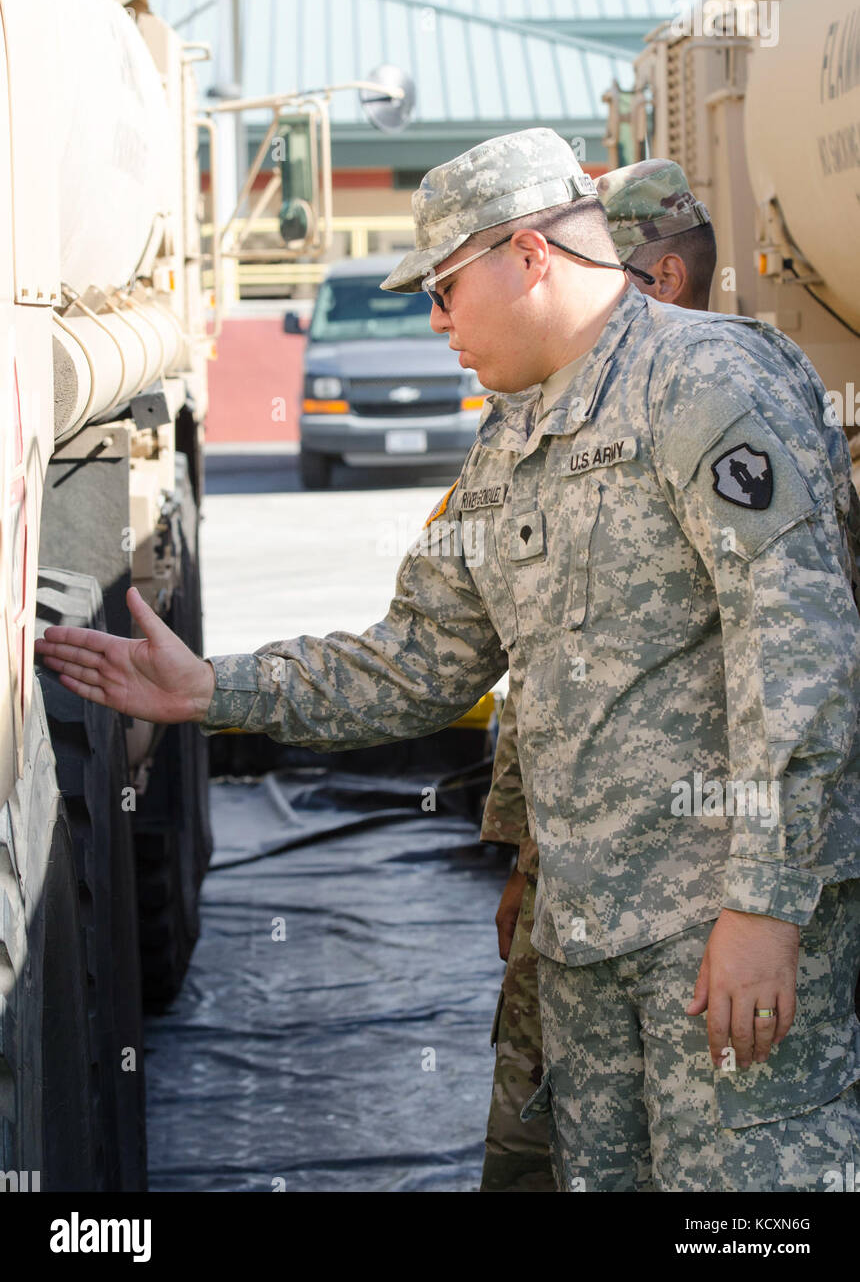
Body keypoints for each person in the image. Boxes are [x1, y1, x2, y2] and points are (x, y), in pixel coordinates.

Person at [35, 128, 860, 1192]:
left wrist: (763, 905)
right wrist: (210, 687)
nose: (434, 323)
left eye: (443, 288)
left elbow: (795, 646)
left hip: (720, 938)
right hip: (586, 950)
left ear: (527, 254)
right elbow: (418, 659)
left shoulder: (700, 381)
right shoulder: (509, 442)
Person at [480, 157, 719, 1194]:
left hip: (694, 910)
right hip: (572, 892)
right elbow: (532, 667)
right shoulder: (532, 424)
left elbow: (787, 666)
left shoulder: (713, 403)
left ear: (656, 278)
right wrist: (519, 848)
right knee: (551, 1143)